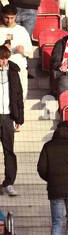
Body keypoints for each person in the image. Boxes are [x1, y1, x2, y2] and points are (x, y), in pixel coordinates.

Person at [0, 48, 21, 199]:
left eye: (5, 59)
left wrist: (19, 118)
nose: (3, 62)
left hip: (8, 117)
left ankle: (9, 183)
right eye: (1, 59)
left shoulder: (13, 72)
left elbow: (18, 96)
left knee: (9, 151)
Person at [0, 6, 34, 77]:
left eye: (12, 18)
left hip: (19, 68)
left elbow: (30, 52)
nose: (9, 21)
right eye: (7, 17)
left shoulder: (21, 30)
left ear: (16, 16)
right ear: (2, 15)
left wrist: (23, 51)